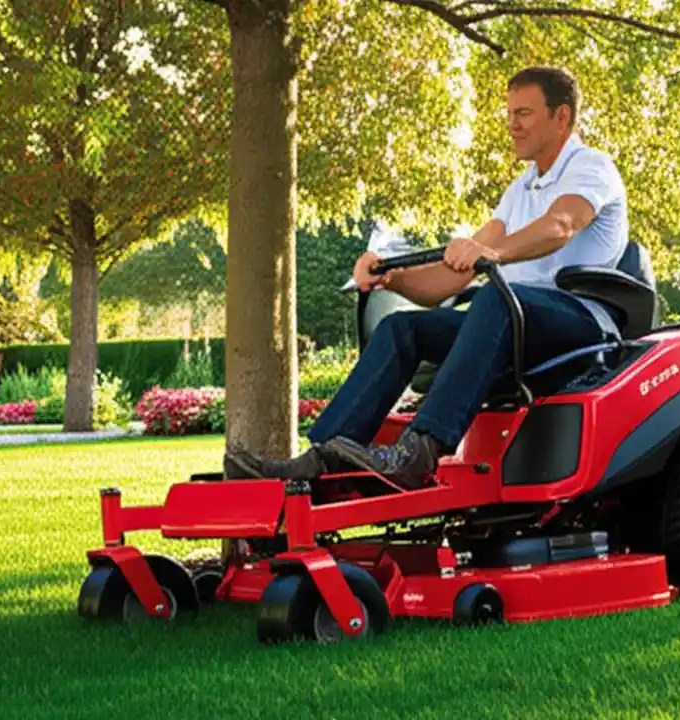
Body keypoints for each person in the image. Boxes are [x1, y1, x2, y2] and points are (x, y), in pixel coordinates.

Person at [225, 66, 629, 488]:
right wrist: (391, 277)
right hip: (516, 320)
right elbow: (448, 281)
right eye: (510, 113)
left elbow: (561, 224)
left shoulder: (591, 167)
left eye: (524, 113)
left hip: (584, 324)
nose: (512, 124)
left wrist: (491, 253)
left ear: (561, 117)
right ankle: (324, 459)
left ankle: (419, 452)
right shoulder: (521, 189)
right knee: (403, 329)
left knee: (494, 298)